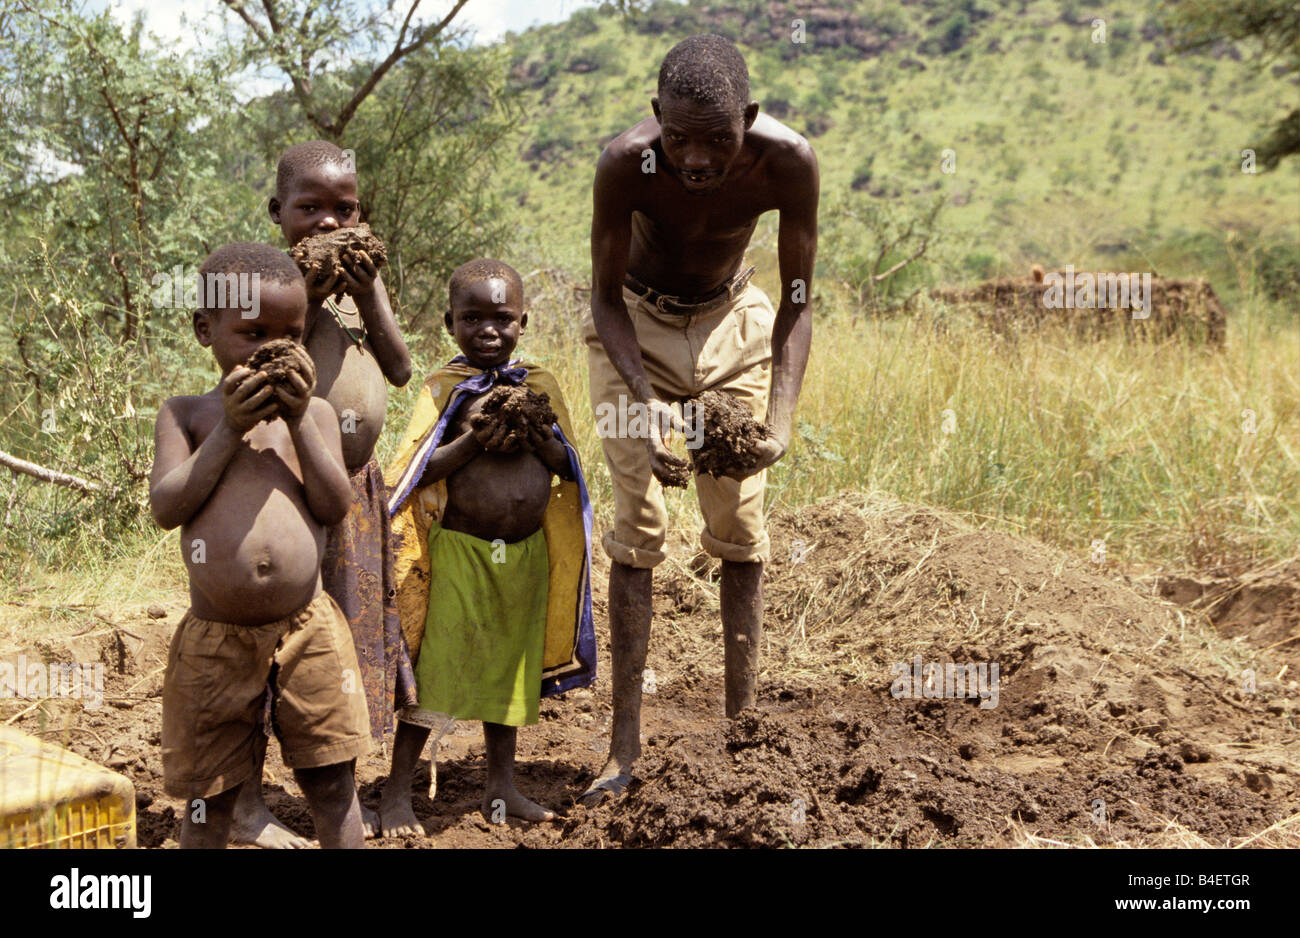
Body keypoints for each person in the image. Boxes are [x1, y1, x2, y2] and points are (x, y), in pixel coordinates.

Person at [581, 34, 819, 802]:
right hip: (637, 331)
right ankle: (623, 754)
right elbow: (605, 299)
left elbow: (798, 303)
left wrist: (778, 423)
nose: (696, 160)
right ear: (657, 119)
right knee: (638, 526)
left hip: (735, 324)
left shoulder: (788, 162)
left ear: (748, 119)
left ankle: (743, 737)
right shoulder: (625, 164)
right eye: (679, 139)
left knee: (740, 529)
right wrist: (647, 410)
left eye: (719, 140)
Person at [149, 242, 369, 848]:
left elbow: (334, 507)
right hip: (214, 642)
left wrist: (299, 419)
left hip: (309, 632)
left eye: (291, 335)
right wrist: (228, 428)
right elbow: (168, 507)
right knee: (209, 796)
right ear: (205, 329)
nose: (274, 350)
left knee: (331, 783)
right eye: (253, 332)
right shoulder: (187, 416)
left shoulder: (317, 416)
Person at [229, 140, 418, 847]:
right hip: (275, 501)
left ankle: (334, 801)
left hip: (350, 499)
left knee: (336, 651)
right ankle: (246, 806)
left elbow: (398, 369)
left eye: (346, 210)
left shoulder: (357, 286)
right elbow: (246, 364)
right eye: (310, 209)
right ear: (277, 212)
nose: (329, 225)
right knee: (258, 649)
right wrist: (305, 287)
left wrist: (367, 289)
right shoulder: (259, 286)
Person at [379, 258, 596, 833]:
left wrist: (535, 432)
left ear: (523, 320)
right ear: (451, 323)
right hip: (461, 555)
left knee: (510, 673)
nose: (488, 330)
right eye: (472, 318)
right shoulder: (447, 390)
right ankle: (396, 793)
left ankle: (501, 788)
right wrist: (477, 436)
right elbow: (419, 471)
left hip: (525, 556)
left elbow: (565, 467)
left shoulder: (539, 386)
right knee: (437, 674)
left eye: (502, 318)